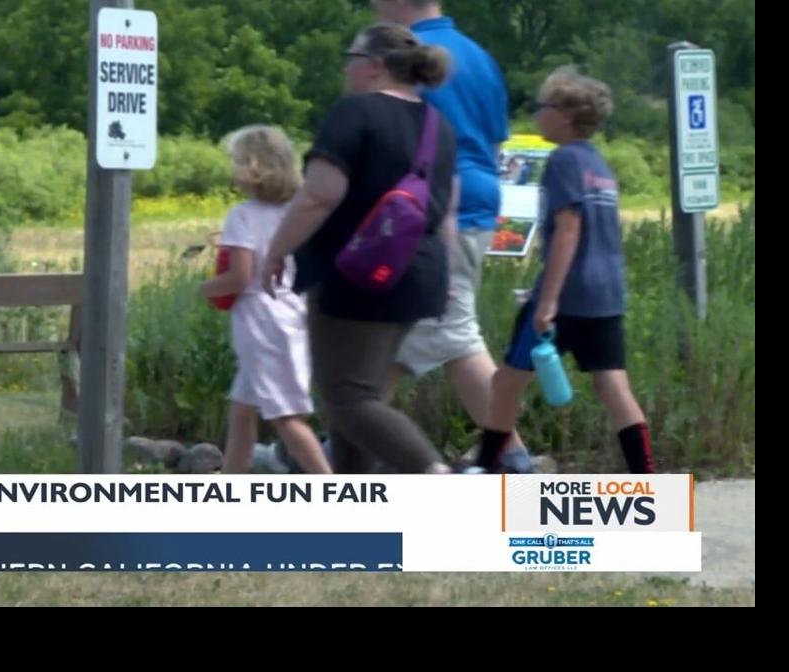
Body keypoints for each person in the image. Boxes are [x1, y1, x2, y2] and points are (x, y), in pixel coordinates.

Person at [261, 22, 457, 474]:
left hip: (356, 276)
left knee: (349, 399)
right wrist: (444, 277)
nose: (346, 68)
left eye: (351, 58)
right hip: (418, 273)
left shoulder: (355, 113)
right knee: (355, 397)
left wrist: (277, 249)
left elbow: (319, 195)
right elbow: (444, 210)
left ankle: (434, 475)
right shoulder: (437, 127)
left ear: (375, 66)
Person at [372, 0, 533, 472]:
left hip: (436, 210)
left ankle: (512, 462)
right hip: (478, 203)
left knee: (446, 334)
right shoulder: (478, 56)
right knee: (418, 336)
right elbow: (496, 142)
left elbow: (396, 139)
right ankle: (342, 445)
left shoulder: (409, 55)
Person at [476, 67, 655, 474]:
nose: (537, 114)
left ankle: (486, 466)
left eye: (542, 107)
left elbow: (567, 231)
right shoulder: (600, 165)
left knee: (507, 382)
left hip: (567, 297)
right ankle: (646, 477)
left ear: (565, 114)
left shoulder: (563, 160)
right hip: (607, 295)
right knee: (613, 386)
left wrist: (548, 301)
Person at [201, 126, 331, 474]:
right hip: (293, 313)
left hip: (260, 321)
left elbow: (241, 277)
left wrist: (208, 287)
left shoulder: (242, 216)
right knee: (242, 413)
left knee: (287, 417)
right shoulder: (298, 213)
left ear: (251, 169)